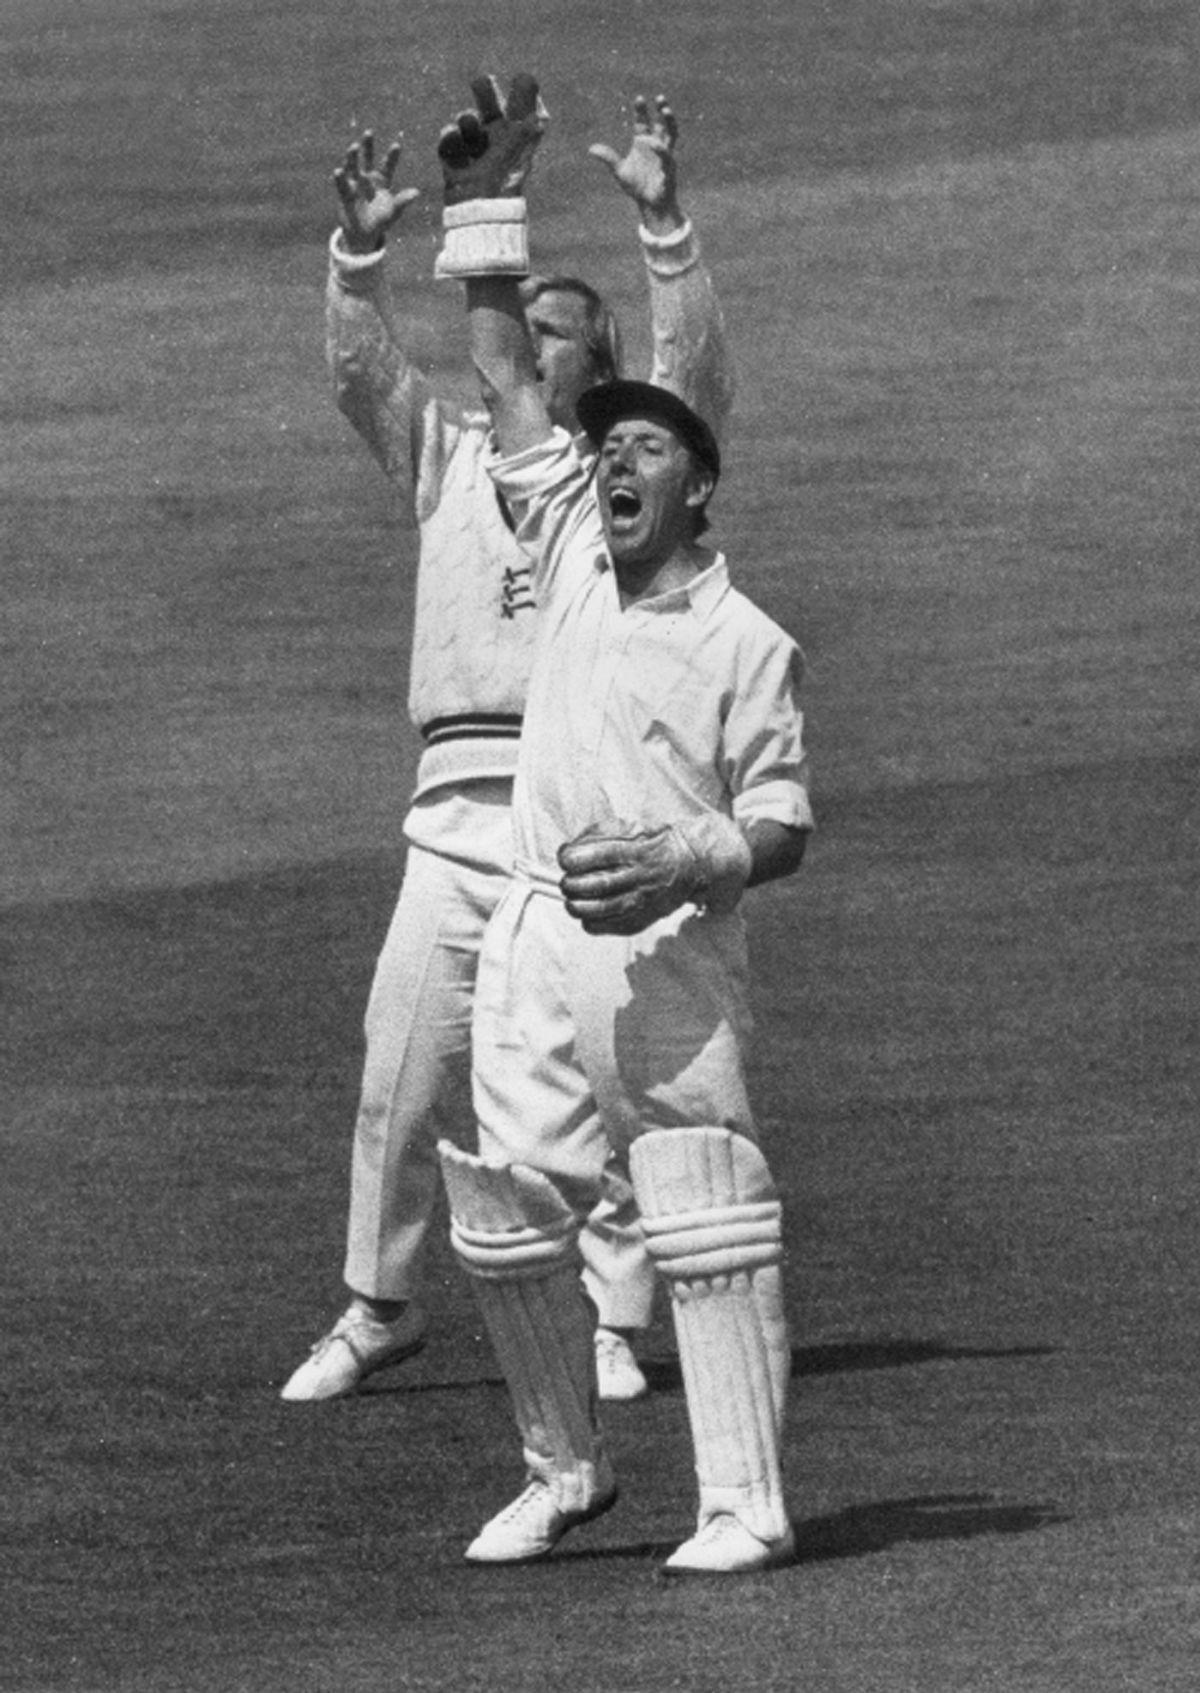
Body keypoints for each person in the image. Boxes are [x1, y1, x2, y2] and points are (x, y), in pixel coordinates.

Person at [280, 83, 735, 1405]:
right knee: (399, 1075)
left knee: (598, 1082)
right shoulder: (451, 450)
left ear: (599, 367)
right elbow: (359, 367)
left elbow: (697, 374)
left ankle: (611, 1318)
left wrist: (664, 231)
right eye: (527, 322)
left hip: (583, 817)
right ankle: (376, 1303)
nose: (533, 340)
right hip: (453, 822)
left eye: (561, 329)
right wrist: (361, 253)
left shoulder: (627, 481)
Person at [432, 75, 814, 1574]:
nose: (616, 460)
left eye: (649, 449)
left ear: (699, 480)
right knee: (505, 1208)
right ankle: (564, 1468)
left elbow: (784, 822)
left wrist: (662, 225)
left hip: (667, 947)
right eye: (611, 451)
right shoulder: (582, 561)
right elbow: (507, 379)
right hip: (533, 926)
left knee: (700, 1206)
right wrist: (489, 196)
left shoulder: (749, 641)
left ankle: (744, 1502)